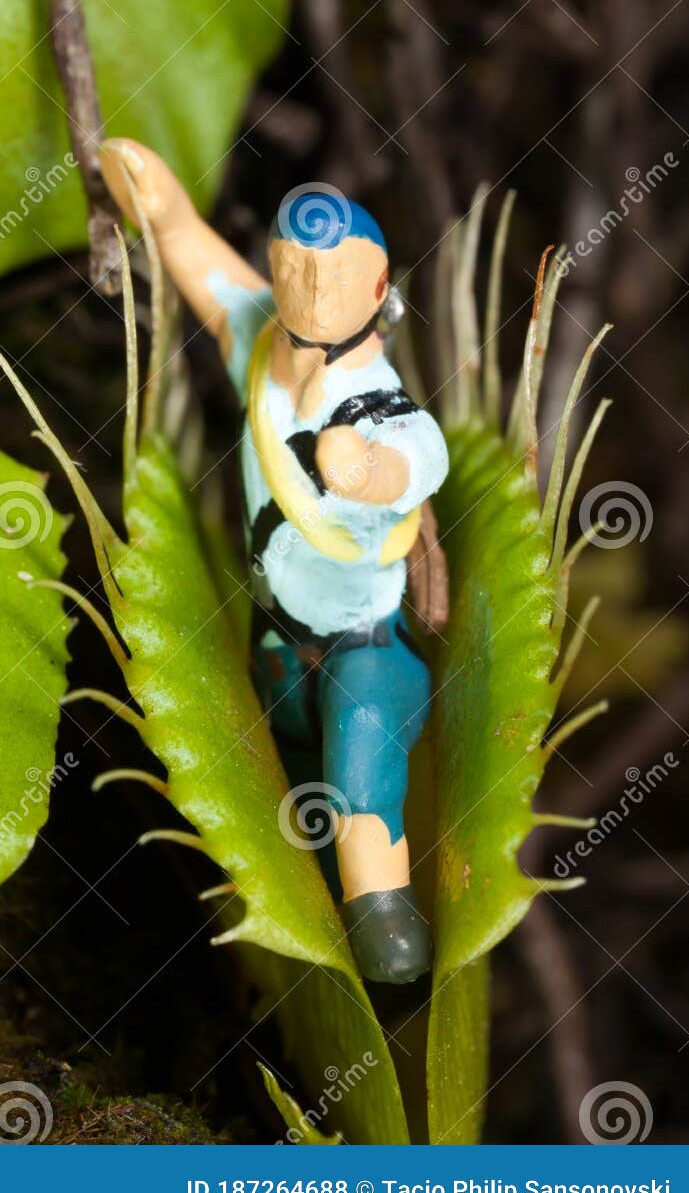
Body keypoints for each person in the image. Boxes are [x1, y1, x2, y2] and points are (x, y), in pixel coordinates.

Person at [99, 138, 448, 984]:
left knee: (359, 773)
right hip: (278, 637)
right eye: (292, 269)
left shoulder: (386, 411)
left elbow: (414, 461)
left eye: (329, 275)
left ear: (376, 286)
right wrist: (168, 213)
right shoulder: (261, 344)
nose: (306, 289)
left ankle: (383, 917)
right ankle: (312, 910)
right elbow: (206, 275)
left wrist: (364, 471)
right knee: (290, 766)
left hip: (366, 643)